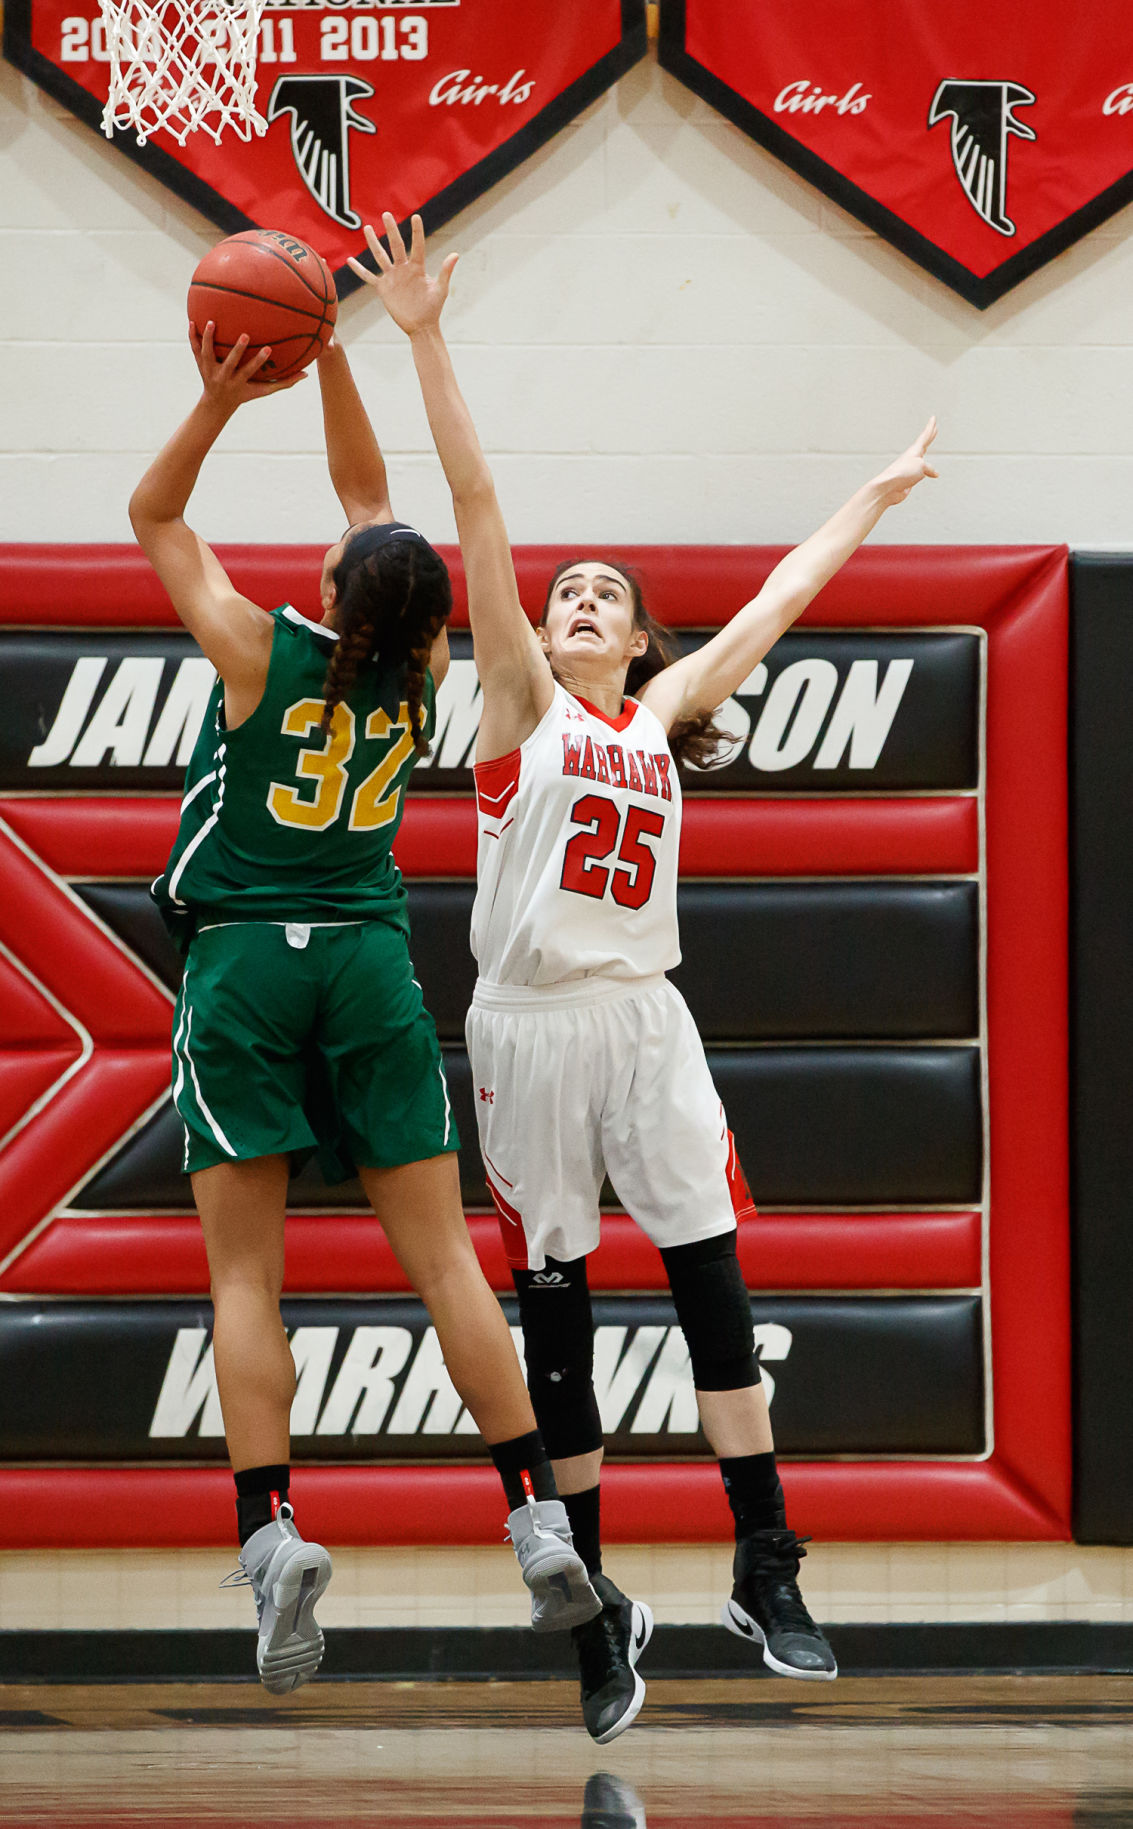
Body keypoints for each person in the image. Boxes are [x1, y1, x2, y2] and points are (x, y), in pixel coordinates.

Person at [349, 214, 938, 1741]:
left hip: (644, 1020)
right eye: (570, 591)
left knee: (712, 1285)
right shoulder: (515, 715)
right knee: (555, 1320)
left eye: (612, 591)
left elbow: (777, 606)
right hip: (527, 1028)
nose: (586, 597)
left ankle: (763, 1558)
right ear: (538, 629)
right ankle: (601, 1613)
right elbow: (474, 502)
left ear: (638, 636)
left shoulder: (662, 710)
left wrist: (869, 497)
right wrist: (421, 335)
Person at [129, 323, 600, 1693]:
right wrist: (330, 353)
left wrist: (224, 397)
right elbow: (372, 505)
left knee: (242, 1272)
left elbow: (154, 512)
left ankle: (273, 1535)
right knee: (448, 1258)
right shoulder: (424, 662)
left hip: (247, 964)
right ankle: (534, 1517)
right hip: (368, 961)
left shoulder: (251, 646)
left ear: (335, 592)